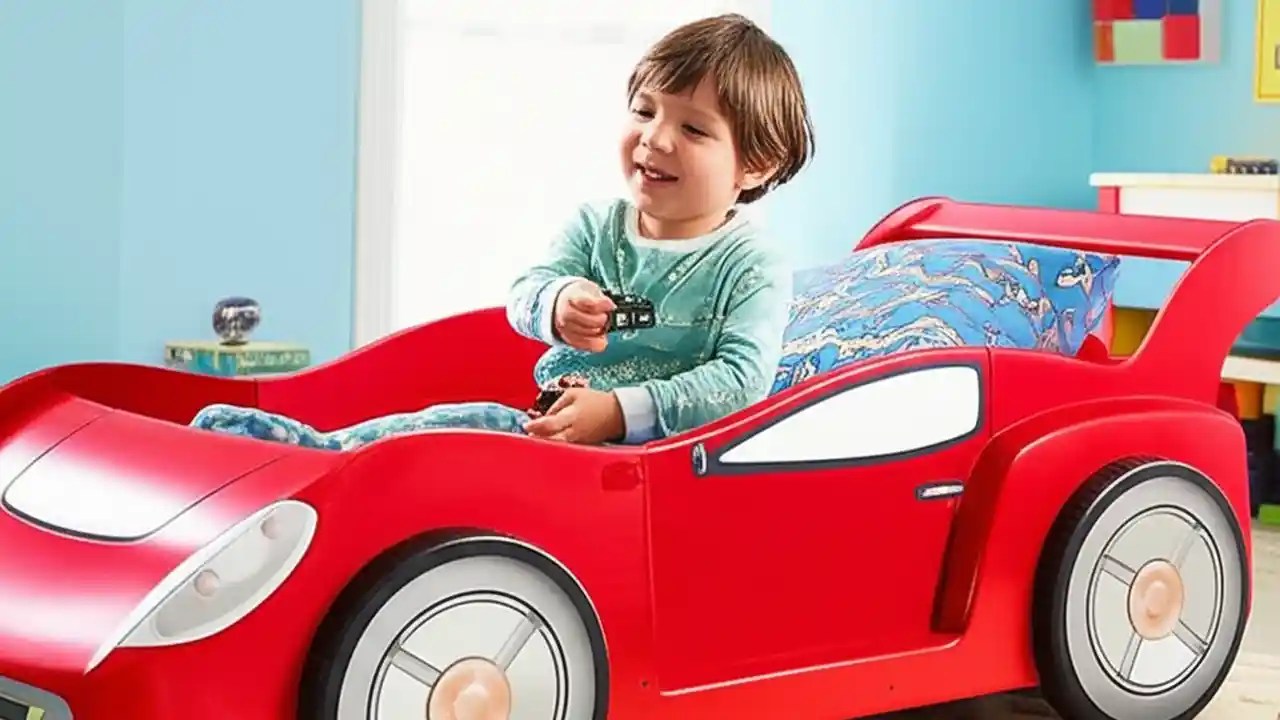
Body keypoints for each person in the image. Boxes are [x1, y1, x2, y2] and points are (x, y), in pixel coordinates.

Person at [191, 13, 815, 451]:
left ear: (755, 164)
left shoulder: (750, 263)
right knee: (453, 427)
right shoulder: (596, 226)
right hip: (548, 430)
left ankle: (318, 456)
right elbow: (525, 294)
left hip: (654, 463)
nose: (655, 138)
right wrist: (557, 302)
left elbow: (741, 383)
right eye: (644, 110)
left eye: (694, 129)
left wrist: (616, 414)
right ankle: (318, 451)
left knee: (467, 434)